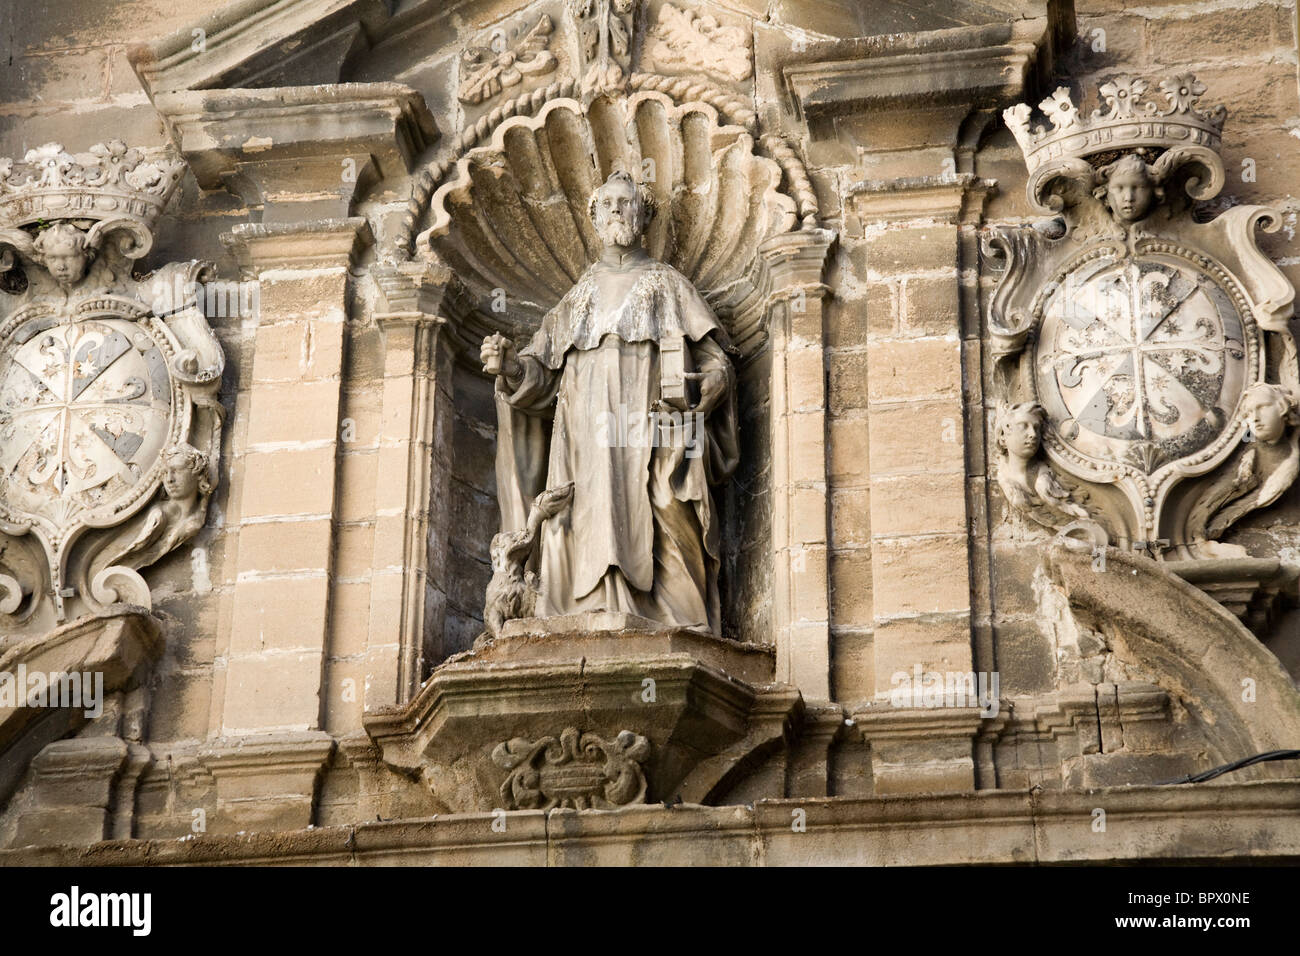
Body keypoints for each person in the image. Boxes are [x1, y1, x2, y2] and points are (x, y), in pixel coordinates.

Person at [480, 169, 739, 634]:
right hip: (583, 442)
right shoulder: (575, 300)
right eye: (608, 204)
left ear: (643, 217)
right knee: (579, 516)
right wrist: (510, 368)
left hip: (652, 433)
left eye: (626, 202)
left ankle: (676, 622)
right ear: (595, 218)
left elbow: (714, 359)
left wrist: (709, 385)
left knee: (665, 504)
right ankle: (576, 616)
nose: (617, 209)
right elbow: (539, 376)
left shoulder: (669, 285)